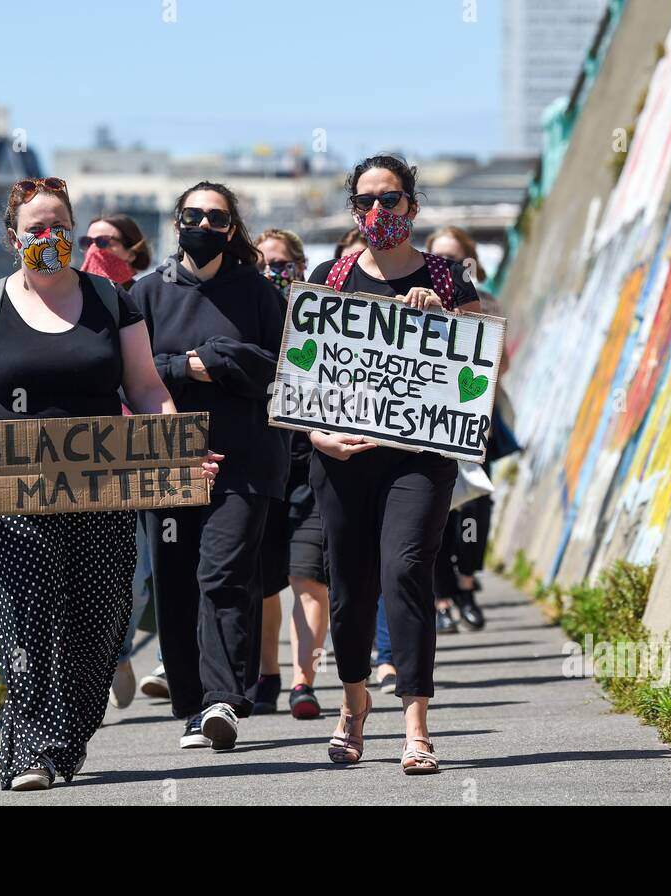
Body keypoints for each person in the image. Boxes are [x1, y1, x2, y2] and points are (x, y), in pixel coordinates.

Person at [0, 176, 219, 791]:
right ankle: (28, 751)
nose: (49, 237)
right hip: (6, 494)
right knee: (23, 623)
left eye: (60, 225)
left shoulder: (113, 302)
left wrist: (175, 449)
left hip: (101, 493)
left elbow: (145, 388)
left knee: (97, 628)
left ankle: (65, 742)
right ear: (14, 238)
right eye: (36, 228)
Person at [306, 155, 482, 774]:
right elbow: (303, 373)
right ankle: (353, 707)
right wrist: (318, 437)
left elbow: (483, 367)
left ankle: (416, 724)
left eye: (392, 199)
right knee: (350, 585)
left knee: (405, 569)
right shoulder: (331, 277)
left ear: (412, 203)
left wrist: (447, 318)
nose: (379, 211)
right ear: (355, 208)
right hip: (344, 458)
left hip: (420, 457)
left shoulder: (448, 276)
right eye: (367, 201)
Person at [130, 181, 288, 752]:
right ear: (176, 221)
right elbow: (130, 372)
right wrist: (186, 368)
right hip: (167, 463)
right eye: (192, 214)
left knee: (222, 577)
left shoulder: (259, 292)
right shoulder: (144, 294)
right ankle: (193, 702)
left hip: (244, 463)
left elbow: (281, 367)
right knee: (174, 585)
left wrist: (215, 358)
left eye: (216, 217)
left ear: (232, 228)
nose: (203, 224)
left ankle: (223, 700)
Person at [77, 212, 159, 709]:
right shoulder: (69, 300)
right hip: (84, 459)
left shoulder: (144, 298)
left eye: (103, 241)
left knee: (140, 572)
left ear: (131, 250)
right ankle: (103, 658)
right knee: (87, 571)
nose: (91, 247)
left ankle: (121, 647)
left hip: (141, 454)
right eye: (86, 239)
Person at [250, 229, 330, 719]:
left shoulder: (324, 316)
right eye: (262, 264)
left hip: (312, 466)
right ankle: (267, 674)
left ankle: (304, 680)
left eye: (281, 264)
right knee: (263, 583)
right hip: (261, 466)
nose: (272, 273)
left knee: (309, 576)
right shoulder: (246, 315)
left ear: (300, 265)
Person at [423, 225, 501, 632]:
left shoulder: (485, 301)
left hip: (476, 417)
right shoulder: (417, 302)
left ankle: (467, 581)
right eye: (441, 258)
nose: (451, 266)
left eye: (457, 258)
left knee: (474, 506)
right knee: (433, 509)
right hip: (431, 418)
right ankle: (441, 598)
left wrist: (463, 323)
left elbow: (498, 364)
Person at [79, 212, 151, 290]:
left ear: (131, 254)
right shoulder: (72, 295)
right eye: (87, 242)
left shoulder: (141, 298)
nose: (93, 249)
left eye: (103, 241)